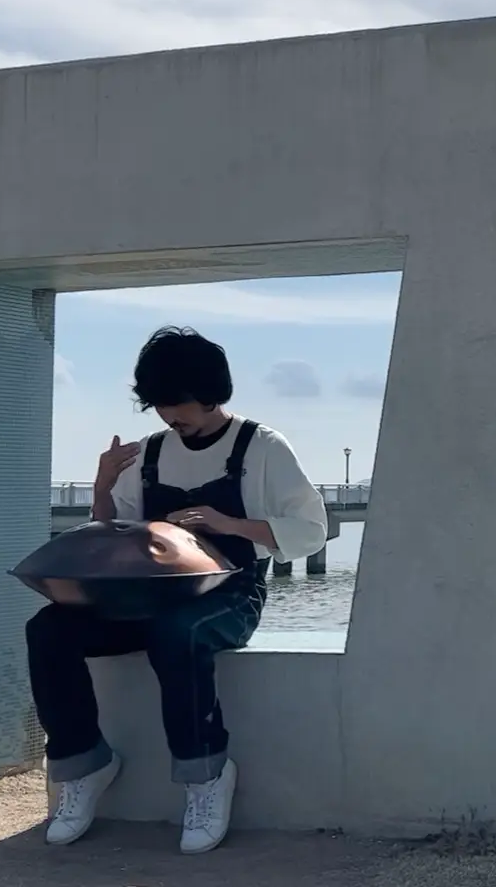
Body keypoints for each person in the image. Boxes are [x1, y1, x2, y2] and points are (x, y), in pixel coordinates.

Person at [25, 326, 329, 854]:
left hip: (231, 595)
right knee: (49, 629)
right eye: (159, 404)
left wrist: (229, 524)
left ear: (211, 393)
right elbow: (110, 534)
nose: (168, 415)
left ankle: (206, 775)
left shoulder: (261, 447)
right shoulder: (149, 453)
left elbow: (311, 530)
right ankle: (83, 764)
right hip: (148, 594)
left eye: (177, 402)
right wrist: (102, 486)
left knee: (178, 633)